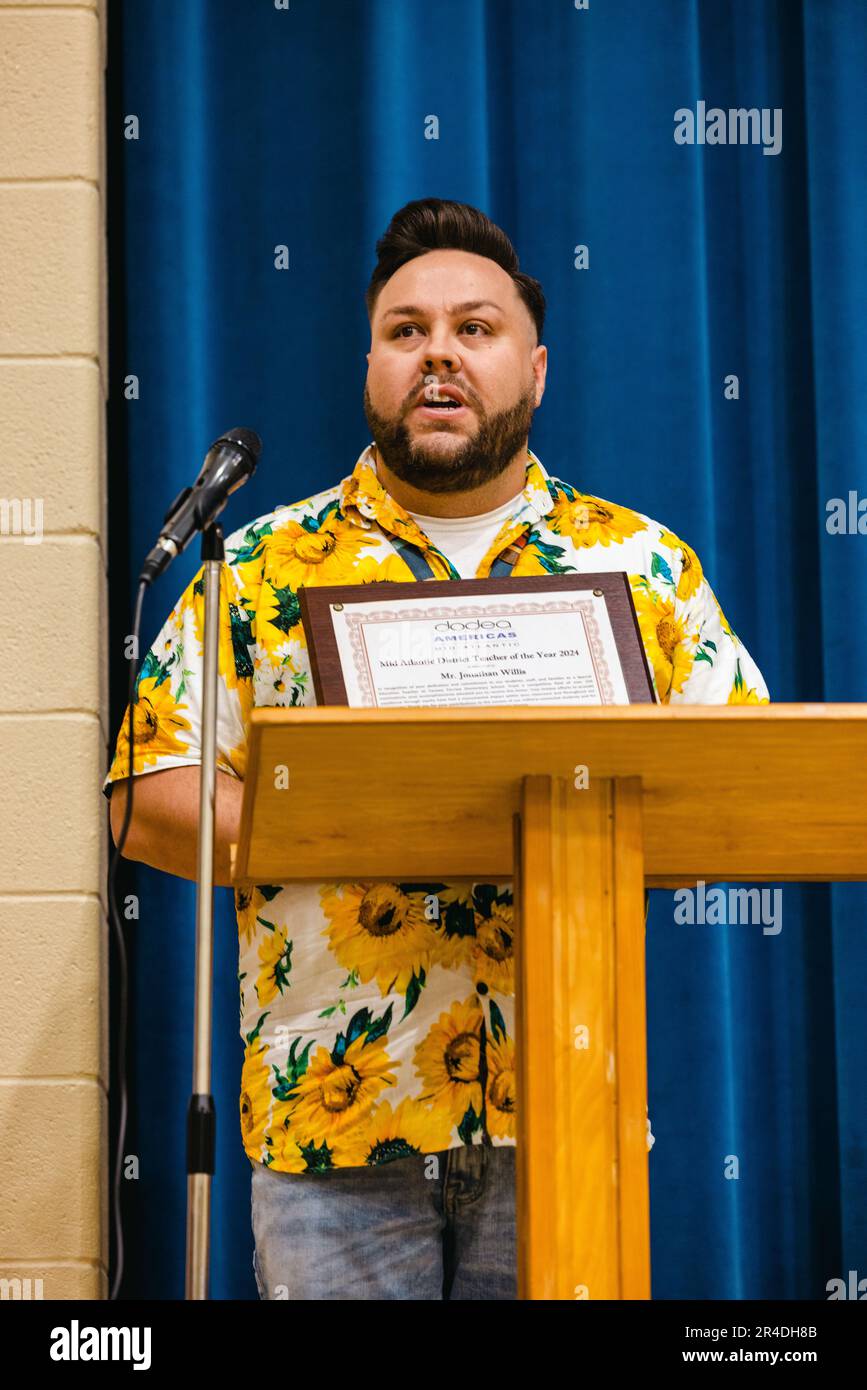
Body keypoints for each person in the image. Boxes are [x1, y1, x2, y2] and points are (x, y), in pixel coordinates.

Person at [105, 197, 770, 1301]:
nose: (439, 355)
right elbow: (144, 793)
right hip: (333, 1124)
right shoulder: (263, 567)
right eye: (407, 331)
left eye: (476, 328)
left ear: (538, 368)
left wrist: (571, 823)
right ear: (370, 366)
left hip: (566, 1112)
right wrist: (357, 821)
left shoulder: (643, 565)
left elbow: (747, 786)